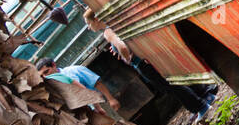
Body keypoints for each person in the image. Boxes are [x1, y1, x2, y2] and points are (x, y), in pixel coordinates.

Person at [83, 12, 216, 116]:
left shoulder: (107, 32)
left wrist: (127, 58)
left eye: (89, 23)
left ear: (96, 19)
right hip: (147, 56)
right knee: (174, 77)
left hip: (141, 62)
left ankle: (200, 106)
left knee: (169, 86)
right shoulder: (113, 23)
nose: (89, 27)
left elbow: (122, 46)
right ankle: (206, 93)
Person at [35, 56, 122, 111]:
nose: (46, 76)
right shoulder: (50, 86)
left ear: (54, 65)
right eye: (42, 75)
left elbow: (96, 83)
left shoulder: (74, 70)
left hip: (99, 103)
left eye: (46, 72)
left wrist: (110, 99)